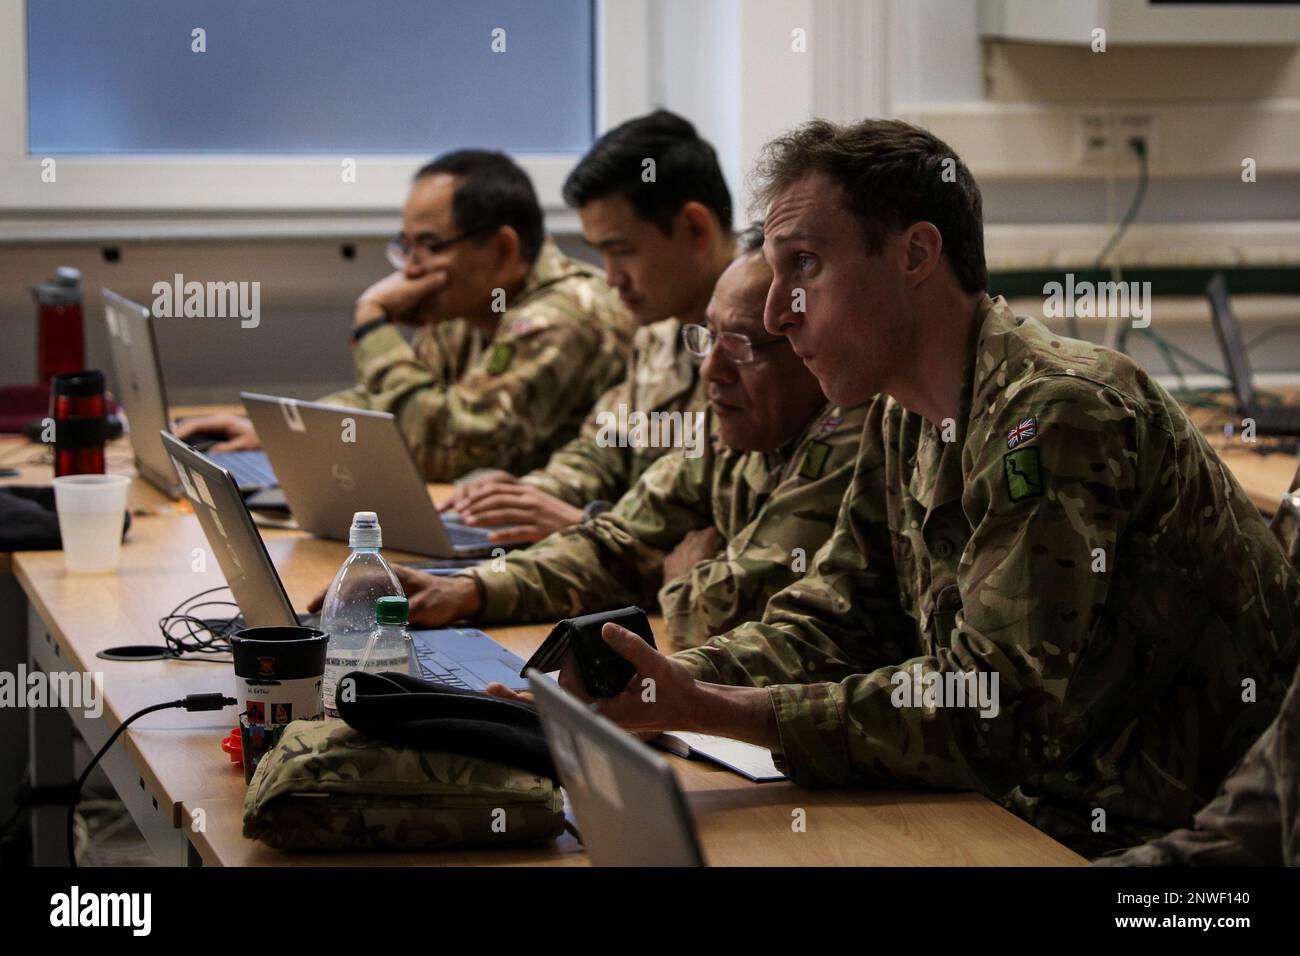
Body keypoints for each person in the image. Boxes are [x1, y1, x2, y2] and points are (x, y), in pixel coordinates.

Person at [491, 118, 1300, 858]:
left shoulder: (1056, 413)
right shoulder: (900, 411)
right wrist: (658, 689)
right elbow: (841, 613)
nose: (777, 314)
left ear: (916, 255)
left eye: (804, 266)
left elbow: (993, 710)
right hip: (1021, 808)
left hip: (1153, 843)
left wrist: (711, 708)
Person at [334, 242, 865, 649]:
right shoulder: (729, 426)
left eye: (741, 347)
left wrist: (673, 577)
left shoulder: (848, 437)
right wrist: (469, 590)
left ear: (809, 346)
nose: (711, 370)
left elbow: (714, 615)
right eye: (707, 339)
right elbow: (613, 541)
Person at [176, 150, 631, 480]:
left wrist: (372, 321)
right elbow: (395, 408)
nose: (411, 269)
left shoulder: (563, 316)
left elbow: (443, 447)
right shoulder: (465, 306)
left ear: (502, 248)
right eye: (406, 246)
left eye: (431, 246)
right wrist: (280, 430)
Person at [442, 111, 737, 542]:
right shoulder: (659, 332)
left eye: (622, 251)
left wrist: (591, 524)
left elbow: (733, 529)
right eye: (602, 253)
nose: (612, 277)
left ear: (695, 228)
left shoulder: (772, 341)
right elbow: (603, 450)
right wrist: (524, 497)